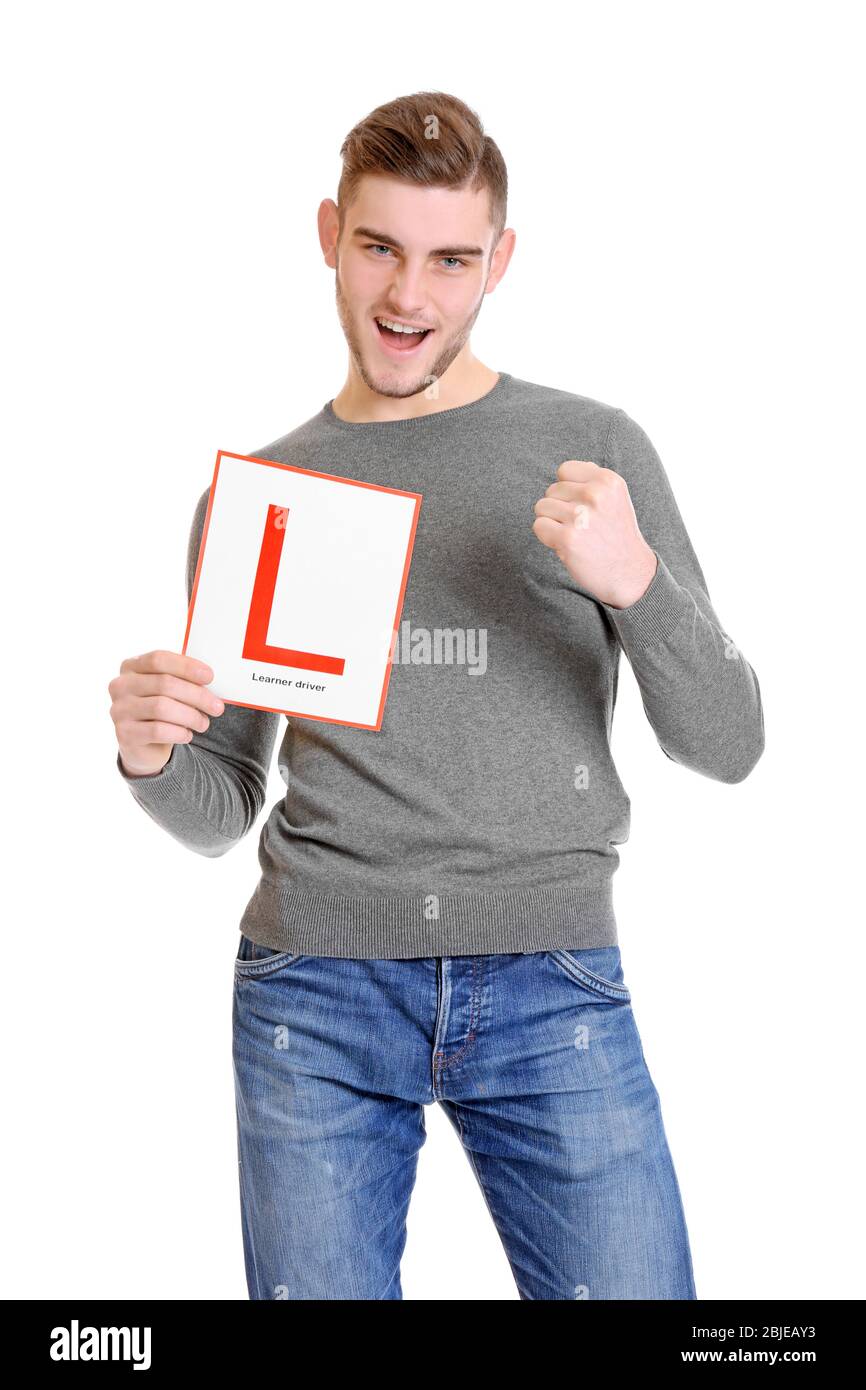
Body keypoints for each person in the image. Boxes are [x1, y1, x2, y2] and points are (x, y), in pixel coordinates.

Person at [108, 91, 764, 1300]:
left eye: (450, 259)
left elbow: (726, 743)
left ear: (497, 262)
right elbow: (225, 805)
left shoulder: (589, 447)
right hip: (314, 991)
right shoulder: (266, 493)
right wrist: (154, 758)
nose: (408, 298)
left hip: (549, 979)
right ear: (329, 234)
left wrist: (639, 584)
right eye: (379, 249)